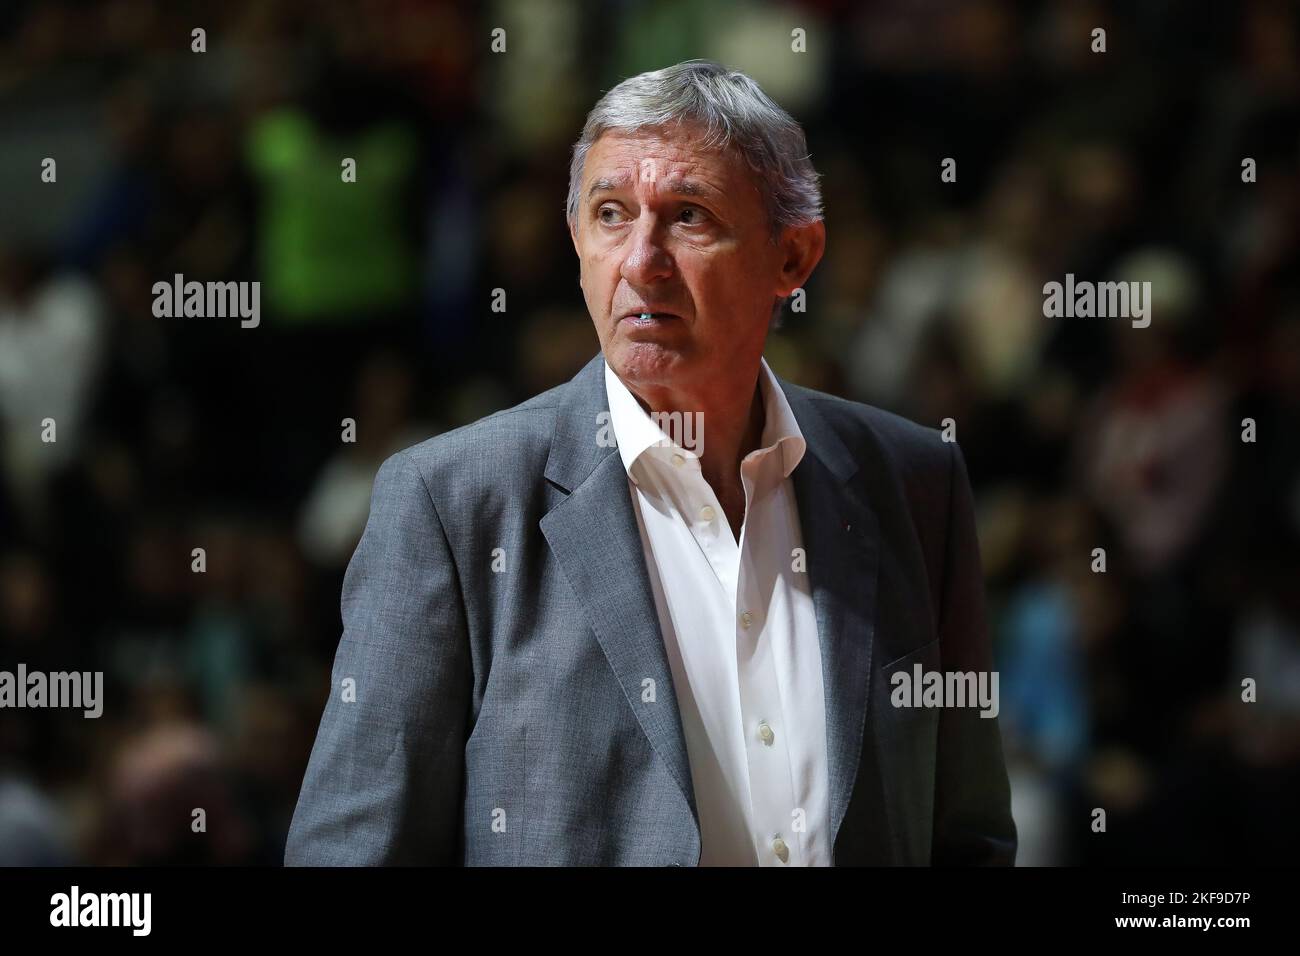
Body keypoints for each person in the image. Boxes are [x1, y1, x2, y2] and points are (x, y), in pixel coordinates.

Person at [284, 59, 1015, 866]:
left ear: (794, 258)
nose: (640, 261)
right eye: (610, 215)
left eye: (689, 216)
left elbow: (967, 837)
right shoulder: (453, 503)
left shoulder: (914, 483)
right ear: (576, 241)